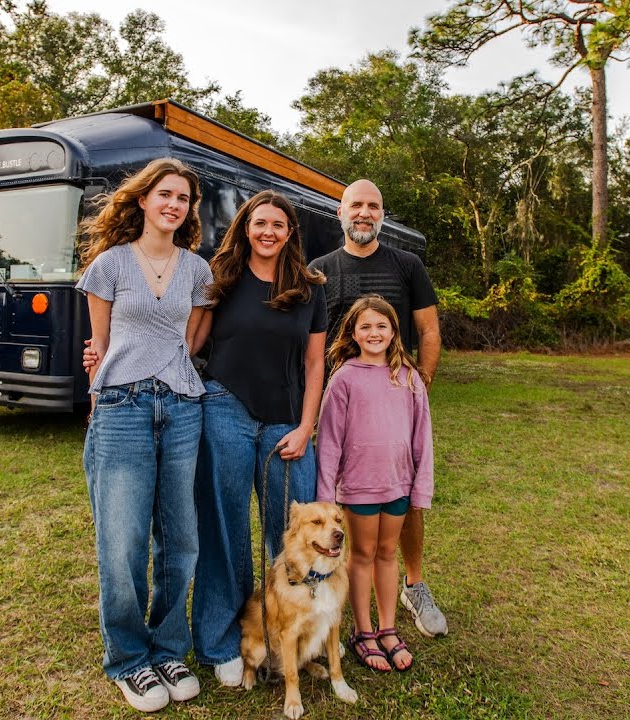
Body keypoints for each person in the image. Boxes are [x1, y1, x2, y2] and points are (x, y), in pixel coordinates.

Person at [76, 158, 214, 713]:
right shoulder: (109, 265)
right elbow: (99, 348)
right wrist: (96, 402)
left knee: (181, 540)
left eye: (183, 198)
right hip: (122, 408)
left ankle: (169, 647)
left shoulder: (198, 271)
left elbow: (194, 343)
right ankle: (130, 659)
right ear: (142, 200)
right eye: (165, 194)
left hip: (182, 407)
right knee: (123, 540)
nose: (174, 204)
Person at [189, 190, 328, 687]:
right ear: (245, 226)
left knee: (290, 541)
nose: (267, 231)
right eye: (259, 222)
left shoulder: (310, 288)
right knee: (224, 533)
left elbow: (315, 363)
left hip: (286, 424)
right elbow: (188, 343)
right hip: (224, 408)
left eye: (278, 224)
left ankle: (289, 639)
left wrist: (306, 427)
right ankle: (221, 641)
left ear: (290, 233)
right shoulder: (219, 279)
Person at [307, 178, 448, 638]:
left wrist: (417, 388)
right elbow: (305, 343)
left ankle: (414, 584)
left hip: (393, 406)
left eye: (373, 205)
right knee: (336, 497)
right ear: (340, 212)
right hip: (338, 407)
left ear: (381, 214)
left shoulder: (407, 265)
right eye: (355, 205)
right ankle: (330, 594)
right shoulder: (320, 270)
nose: (364, 213)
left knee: (403, 497)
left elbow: (428, 332)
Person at [316, 295, 433, 673]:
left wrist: (420, 487)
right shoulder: (344, 377)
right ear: (352, 332)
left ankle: (387, 628)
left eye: (382, 325)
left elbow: (422, 439)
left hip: (397, 485)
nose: (374, 332)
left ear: (394, 331)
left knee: (387, 554)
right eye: (365, 326)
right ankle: (363, 631)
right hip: (359, 487)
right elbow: (329, 441)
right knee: (362, 555)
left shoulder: (410, 377)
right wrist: (324, 498)